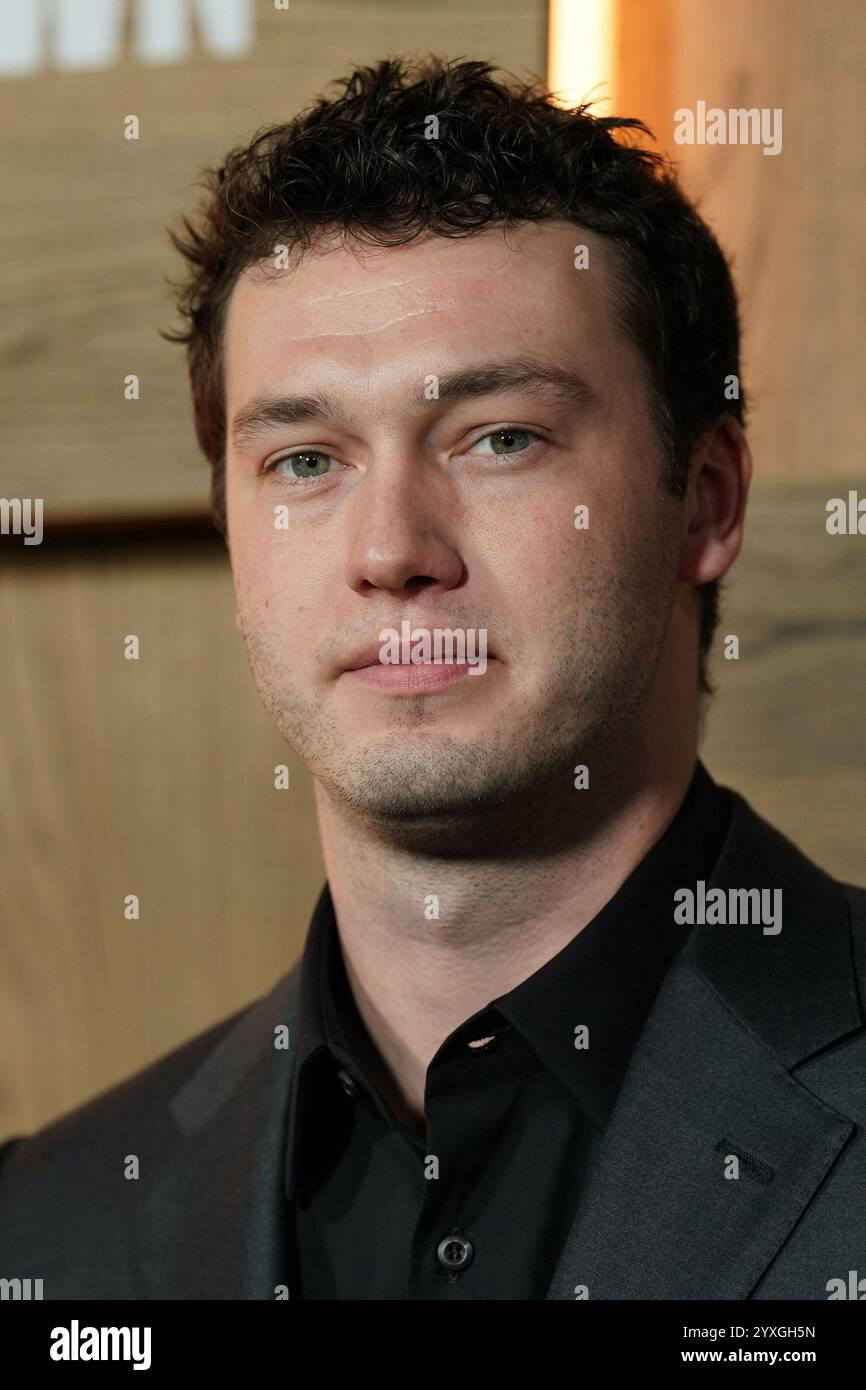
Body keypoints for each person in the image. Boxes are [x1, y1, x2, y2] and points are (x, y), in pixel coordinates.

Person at [1, 56, 863, 1302]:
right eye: (305, 460)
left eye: (499, 437)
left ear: (706, 500)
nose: (391, 549)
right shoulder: (51, 1227)